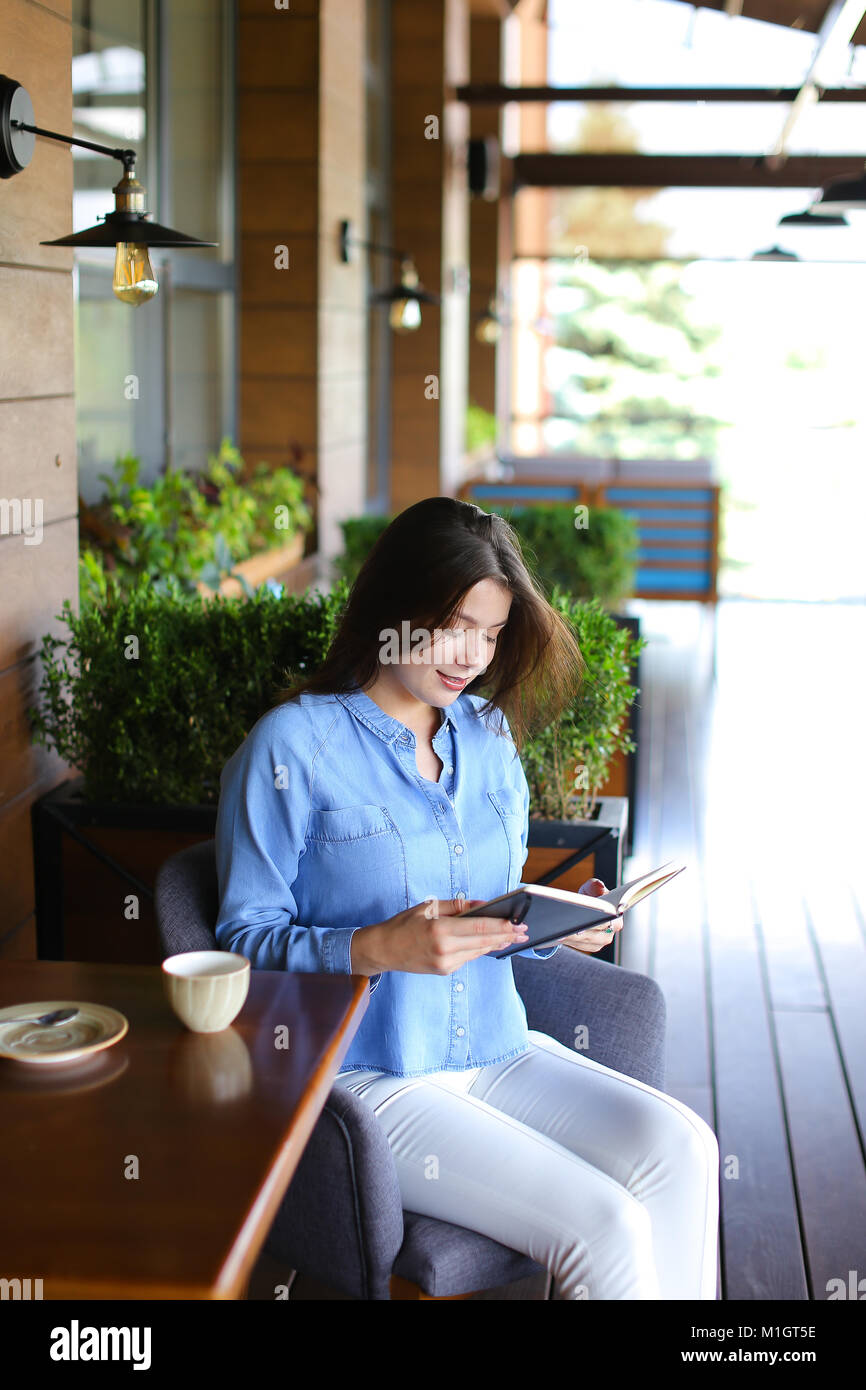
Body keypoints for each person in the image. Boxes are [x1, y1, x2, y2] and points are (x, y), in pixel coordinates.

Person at [214, 496, 719, 1300]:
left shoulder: (487, 736)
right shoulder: (293, 746)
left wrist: (556, 926)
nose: (471, 657)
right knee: (607, 1223)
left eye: (490, 634)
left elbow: (488, 913)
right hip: (370, 1078)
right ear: (392, 609)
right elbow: (238, 945)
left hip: (497, 1044)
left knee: (684, 1150)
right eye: (453, 626)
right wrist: (372, 948)